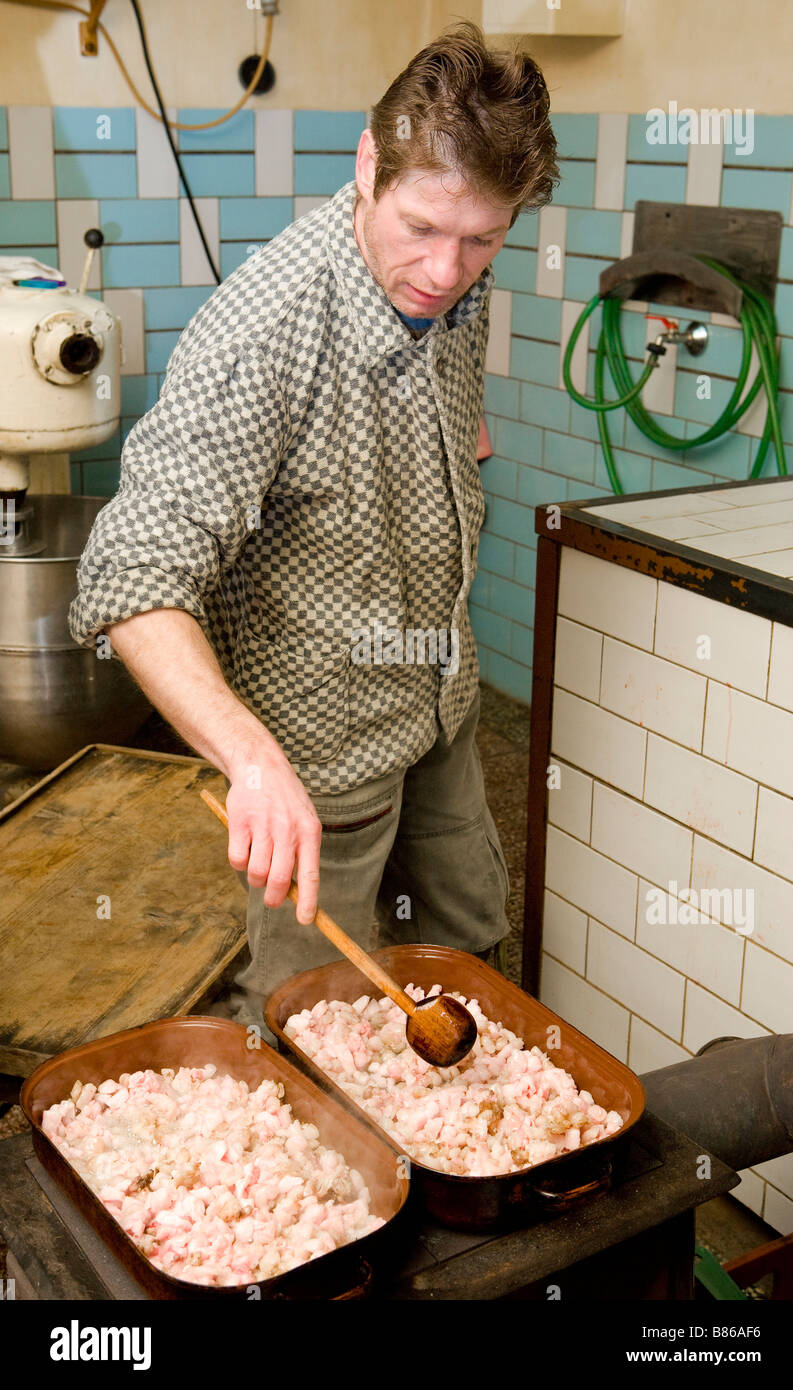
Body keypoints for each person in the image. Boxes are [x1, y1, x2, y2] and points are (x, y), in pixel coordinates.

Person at [69, 20, 559, 1030]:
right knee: (313, 1015)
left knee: (470, 942)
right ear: (369, 163)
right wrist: (251, 760)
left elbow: (442, 377)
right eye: (421, 228)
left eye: (483, 239)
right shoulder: (261, 336)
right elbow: (130, 580)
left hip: (437, 692)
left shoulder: (453, 265)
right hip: (314, 752)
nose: (446, 269)